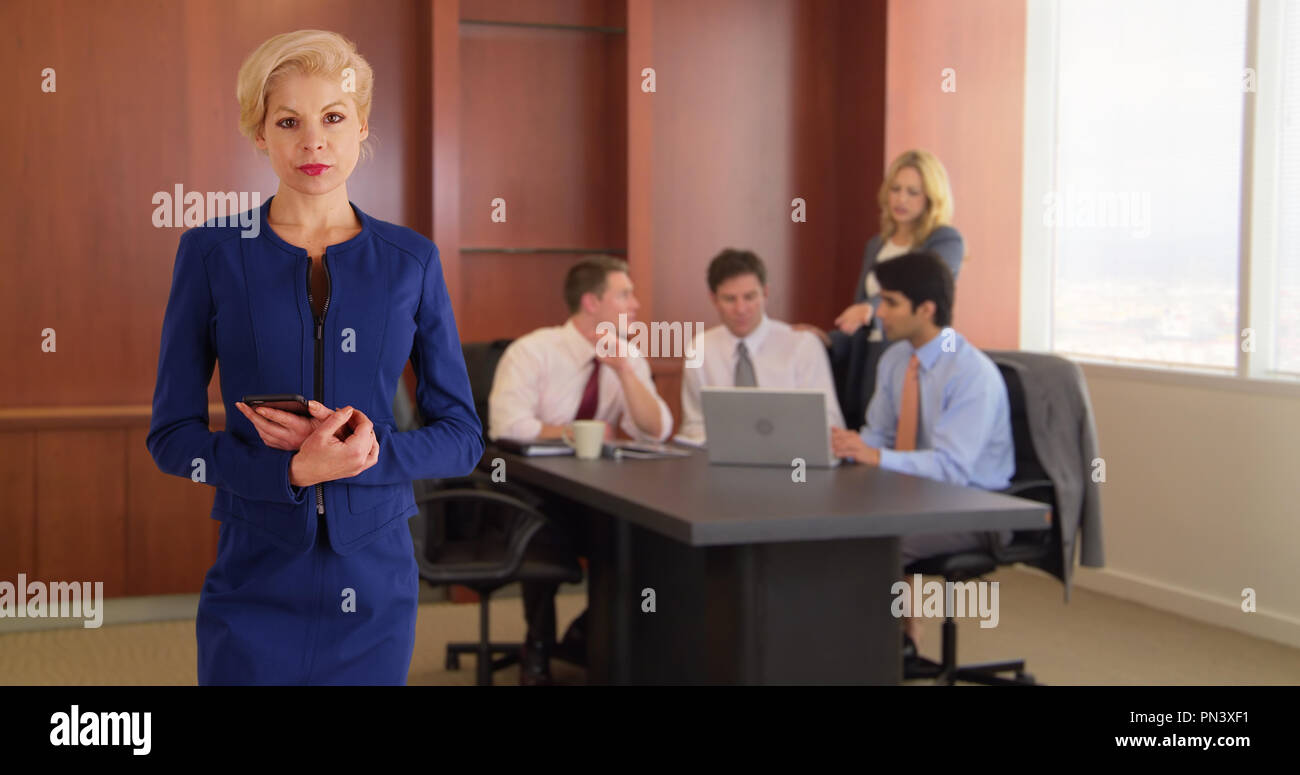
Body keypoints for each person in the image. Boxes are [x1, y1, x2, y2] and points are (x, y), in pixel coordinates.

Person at [146, 30, 484, 685]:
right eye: (288, 121)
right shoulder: (212, 254)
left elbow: (461, 439)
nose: (313, 142)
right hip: (255, 568)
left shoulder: (411, 260)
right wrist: (293, 472)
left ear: (360, 127)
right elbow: (172, 438)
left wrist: (364, 451)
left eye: (333, 118)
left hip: (375, 578)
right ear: (259, 135)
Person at [487, 255, 672, 684]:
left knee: (639, 537)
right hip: (534, 488)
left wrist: (626, 371)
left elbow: (658, 430)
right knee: (545, 528)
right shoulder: (533, 351)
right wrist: (576, 432)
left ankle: (590, 636)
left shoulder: (627, 354)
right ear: (591, 302)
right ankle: (537, 642)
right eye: (624, 294)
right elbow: (508, 425)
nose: (636, 304)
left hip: (601, 489)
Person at [829, 251, 1012, 658]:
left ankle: (885, 652)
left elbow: (950, 470)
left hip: (977, 506)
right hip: (914, 497)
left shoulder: (971, 374)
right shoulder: (896, 360)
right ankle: (871, 645)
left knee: (875, 540)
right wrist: (849, 447)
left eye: (890, 302)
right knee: (830, 524)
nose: (880, 313)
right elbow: (878, 435)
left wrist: (878, 457)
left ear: (926, 309)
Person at [796, 149, 965, 431]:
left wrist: (871, 307)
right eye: (896, 189)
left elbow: (924, 288)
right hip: (870, 361)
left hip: (915, 358)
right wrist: (829, 339)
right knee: (868, 442)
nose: (901, 199)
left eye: (913, 192)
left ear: (931, 198)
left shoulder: (945, 239)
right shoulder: (876, 245)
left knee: (907, 443)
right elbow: (861, 324)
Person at [676, 248, 843, 444]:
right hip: (722, 461)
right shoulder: (700, 349)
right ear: (713, 299)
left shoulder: (802, 345)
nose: (741, 309)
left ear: (765, 293)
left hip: (792, 459)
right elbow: (694, 424)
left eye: (750, 297)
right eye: (730, 299)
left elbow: (828, 423)